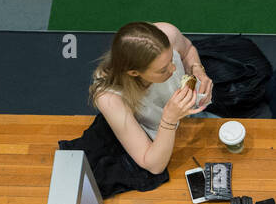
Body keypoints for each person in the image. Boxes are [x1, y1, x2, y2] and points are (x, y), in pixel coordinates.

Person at [90, 21, 216, 176]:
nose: (173, 68)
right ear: (134, 72)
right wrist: (169, 119)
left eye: (171, 59)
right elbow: (153, 165)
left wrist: (197, 70)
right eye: (163, 70)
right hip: (162, 137)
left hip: (191, 120)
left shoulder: (167, 32)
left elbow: (188, 49)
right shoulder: (109, 98)